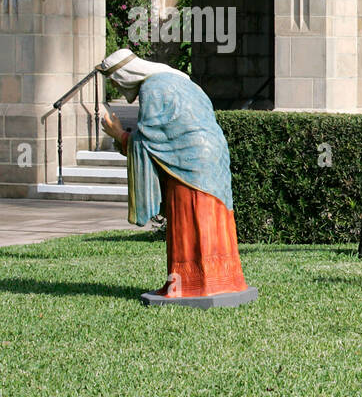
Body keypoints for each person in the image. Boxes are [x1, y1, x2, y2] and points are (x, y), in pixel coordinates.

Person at [97, 49, 253, 303]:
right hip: (213, 156)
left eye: (113, 80)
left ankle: (192, 285)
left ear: (124, 75)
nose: (114, 85)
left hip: (186, 163)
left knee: (190, 216)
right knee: (212, 214)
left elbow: (151, 141)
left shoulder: (152, 88)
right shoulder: (178, 79)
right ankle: (225, 280)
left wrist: (119, 135)